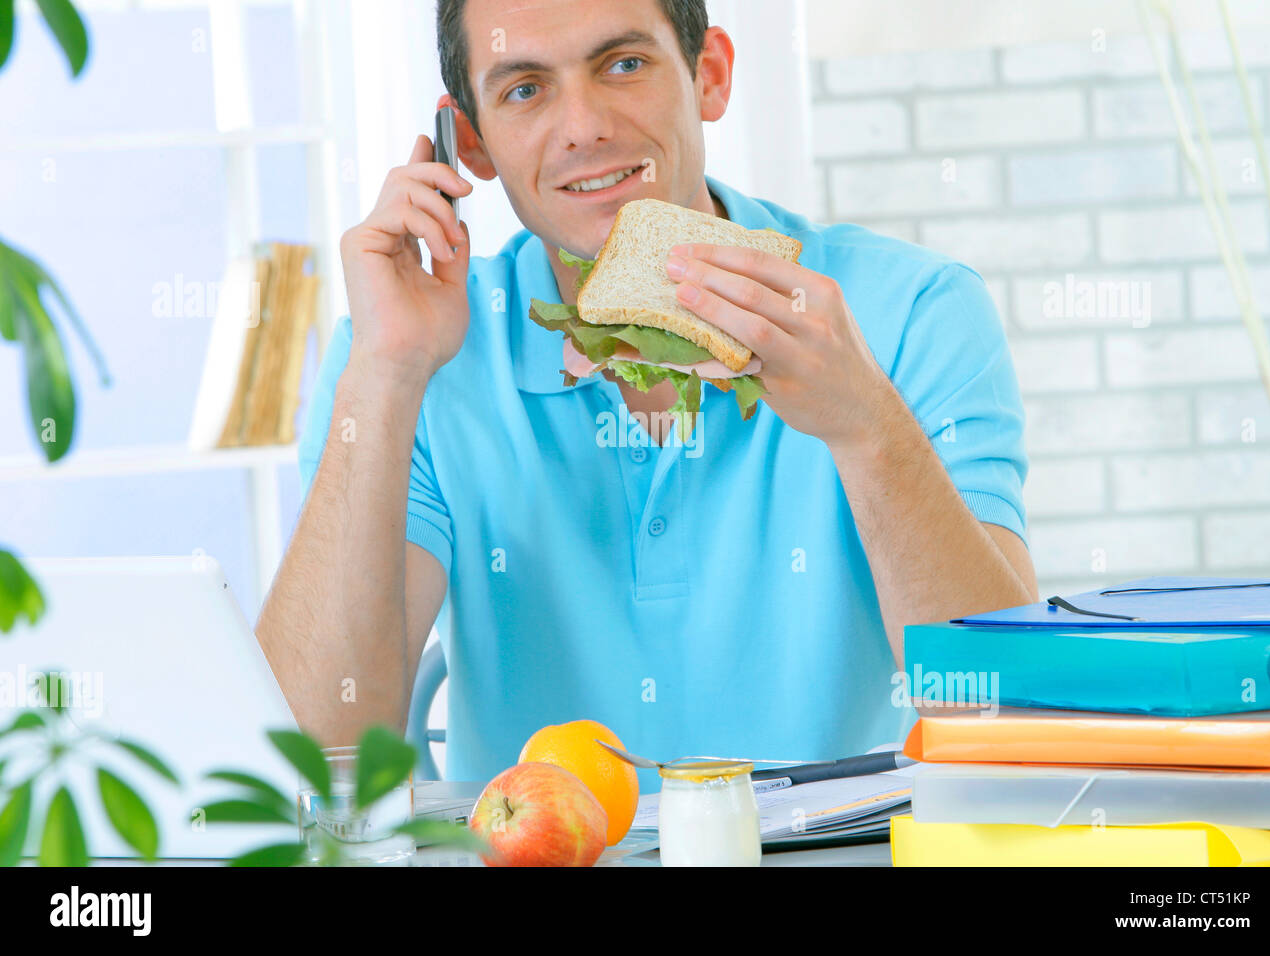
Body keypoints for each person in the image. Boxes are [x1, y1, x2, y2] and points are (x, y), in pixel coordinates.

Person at [255, 0, 1037, 788]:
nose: (584, 126)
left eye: (623, 64)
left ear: (710, 76)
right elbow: (313, 765)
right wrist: (386, 374)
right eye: (525, 89)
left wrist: (868, 426)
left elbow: (1003, 719)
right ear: (474, 145)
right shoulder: (403, 351)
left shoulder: (913, 312)